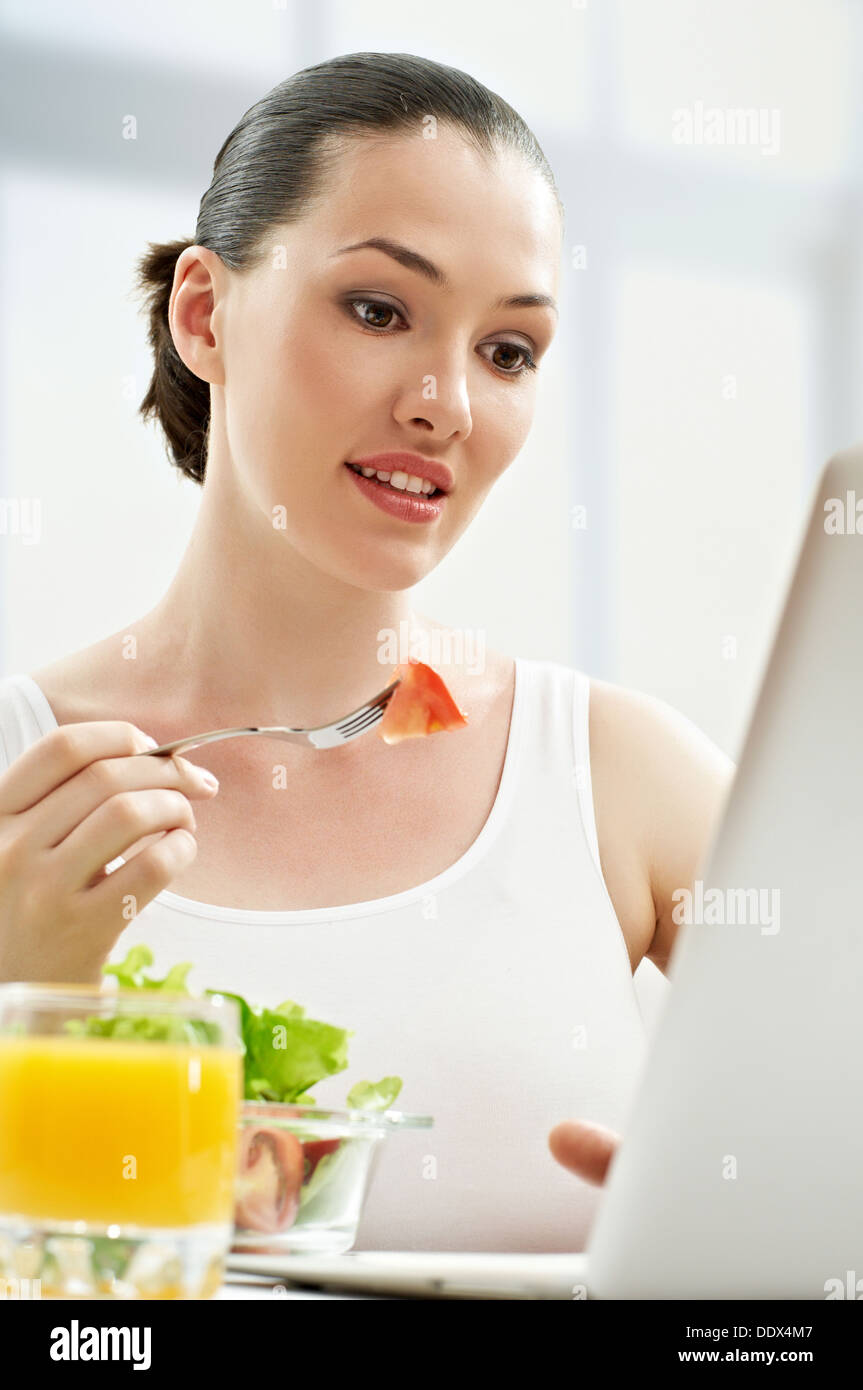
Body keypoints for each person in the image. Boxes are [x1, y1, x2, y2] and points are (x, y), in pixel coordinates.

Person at [0, 53, 734, 1249]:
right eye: (379, 310)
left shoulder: (620, 779)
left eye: (508, 351)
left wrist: (740, 1217)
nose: (445, 402)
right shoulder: (18, 784)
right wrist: (22, 998)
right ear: (204, 314)